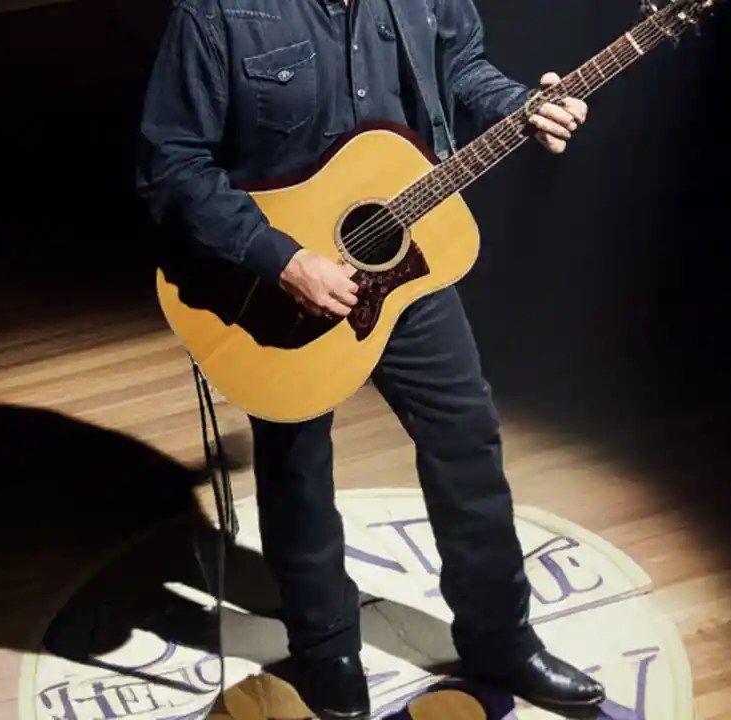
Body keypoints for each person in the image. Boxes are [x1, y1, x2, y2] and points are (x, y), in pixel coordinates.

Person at [135, 0, 602, 717]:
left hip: (404, 257)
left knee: (467, 442)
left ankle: (500, 640)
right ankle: (326, 653)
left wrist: (522, 106)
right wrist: (285, 260)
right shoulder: (216, 12)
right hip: (271, 284)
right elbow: (171, 166)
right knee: (296, 469)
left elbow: (462, 67)